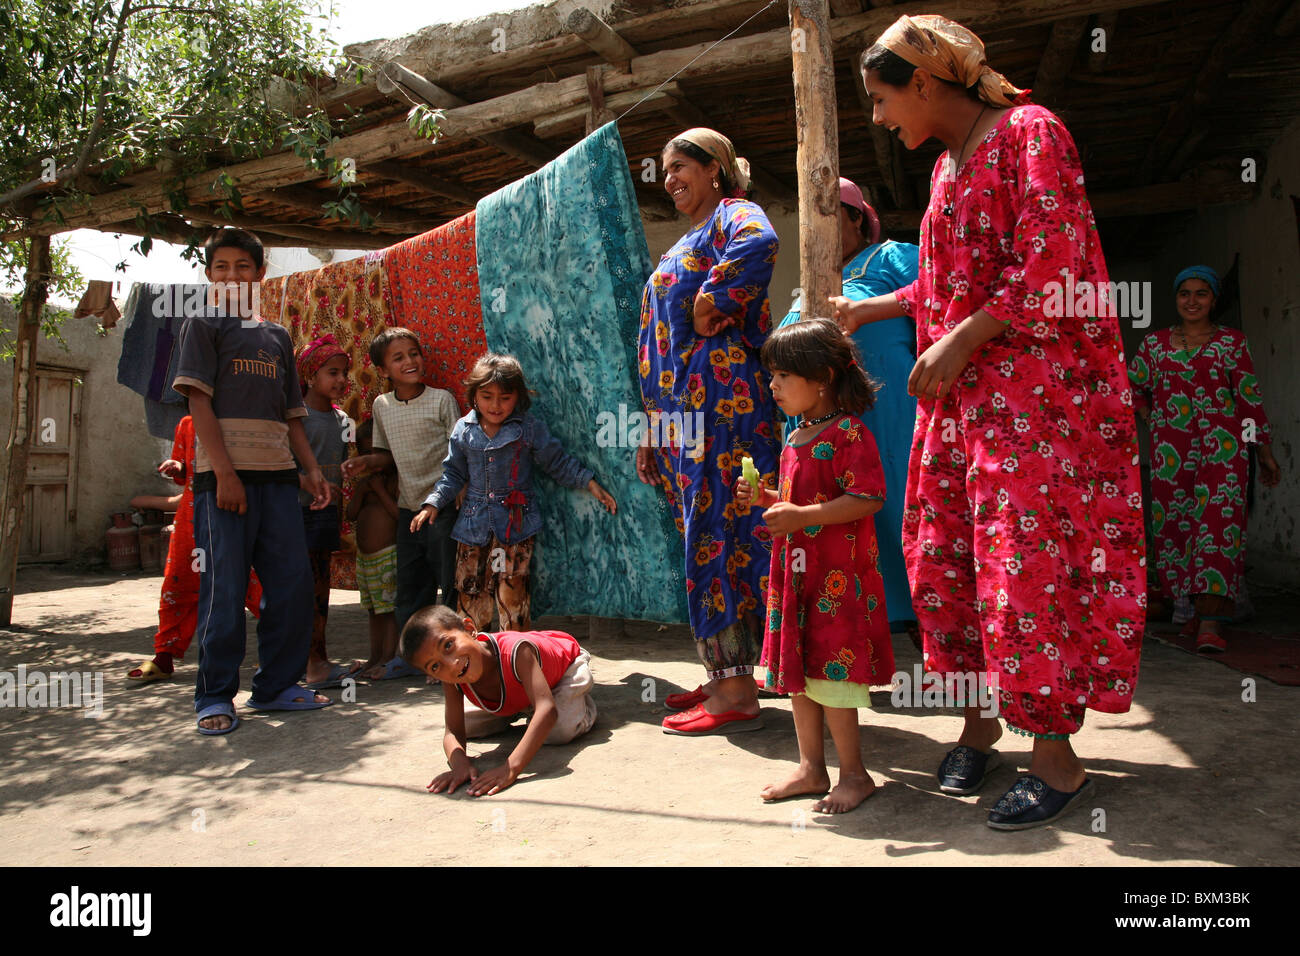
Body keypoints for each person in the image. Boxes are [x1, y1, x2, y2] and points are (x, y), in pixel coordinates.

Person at [835, 14, 1146, 829]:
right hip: (962, 405)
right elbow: (950, 279)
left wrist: (965, 336)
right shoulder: (946, 171)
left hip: (1031, 404)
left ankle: (1057, 761)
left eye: (880, 99)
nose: (879, 117)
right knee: (946, 562)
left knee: (1024, 570)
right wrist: (877, 308)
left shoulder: (1031, 133)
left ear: (927, 84)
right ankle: (980, 720)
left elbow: (1055, 259)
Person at [636, 127, 782, 736]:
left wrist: (710, 300)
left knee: (720, 534)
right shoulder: (691, 240)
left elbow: (763, 241)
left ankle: (736, 690)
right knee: (711, 534)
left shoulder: (732, 214)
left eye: (679, 167)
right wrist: (651, 427)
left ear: (715, 169)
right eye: (664, 171)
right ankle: (729, 672)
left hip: (724, 409)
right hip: (683, 420)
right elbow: (657, 345)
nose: (669, 179)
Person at [172, 227, 331, 734]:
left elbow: (292, 415)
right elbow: (198, 402)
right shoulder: (203, 325)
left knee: (291, 585)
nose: (232, 275)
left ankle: (278, 686)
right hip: (224, 484)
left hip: (280, 483)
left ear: (261, 272)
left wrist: (310, 472)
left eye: (243, 266)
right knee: (225, 589)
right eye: (221, 267)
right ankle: (215, 695)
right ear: (209, 275)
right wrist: (224, 475)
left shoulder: (277, 336)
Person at [737, 319, 896, 813]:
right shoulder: (796, 437)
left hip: (837, 582)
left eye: (785, 375)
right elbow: (797, 503)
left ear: (823, 377)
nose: (774, 385)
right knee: (799, 675)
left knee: (833, 677)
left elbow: (868, 498)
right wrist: (763, 498)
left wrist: (802, 515)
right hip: (797, 579)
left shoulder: (850, 434)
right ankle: (811, 768)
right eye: (772, 375)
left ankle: (855, 774)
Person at [776, 176, 921, 646]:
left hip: (894, 421)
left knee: (903, 515)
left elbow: (940, 296)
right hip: (824, 438)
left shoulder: (890, 258)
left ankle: (933, 639)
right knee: (839, 534)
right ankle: (845, 659)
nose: (815, 228)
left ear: (857, 217)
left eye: (829, 214)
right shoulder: (809, 289)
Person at [1129, 265, 1281, 652]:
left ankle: (1211, 621)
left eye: (1201, 294)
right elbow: (1132, 388)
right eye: (1185, 293)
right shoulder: (1155, 345)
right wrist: (1152, 417)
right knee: (1176, 530)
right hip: (1170, 456)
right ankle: (1189, 610)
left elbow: (1248, 399)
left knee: (1218, 529)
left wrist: (1263, 452)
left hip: (1224, 451)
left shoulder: (1232, 343)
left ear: (1214, 300)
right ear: (1176, 298)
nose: (1192, 300)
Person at [412, 353, 617, 631]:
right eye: (487, 396)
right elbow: (453, 475)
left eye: (505, 397)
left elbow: (556, 462)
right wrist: (433, 504)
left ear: (518, 397)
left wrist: (588, 482)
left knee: (513, 599)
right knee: (471, 597)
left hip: (515, 529)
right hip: (473, 530)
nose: (495, 405)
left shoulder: (528, 429)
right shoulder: (463, 430)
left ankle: (514, 663)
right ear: (474, 395)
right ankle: (471, 663)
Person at [341, 327, 460, 680]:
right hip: (408, 511)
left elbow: (460, 451)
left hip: (442, 507)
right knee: (410, 588)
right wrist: (366, 464)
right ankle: (413, 659)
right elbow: (384, 455)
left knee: (448, 583)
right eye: (399, 357)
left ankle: (451, 655)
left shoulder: (442, 400)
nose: (410, 361)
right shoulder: (382, 406)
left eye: (413, 353)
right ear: (383, 370)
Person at [402, 605, 597, 797]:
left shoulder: (517, 651)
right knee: (469, 726)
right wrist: (460, 765)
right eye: (435, 666)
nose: (452, 665)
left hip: (565, 667)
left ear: (470, 629)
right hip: (517, 693)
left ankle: (582, 707)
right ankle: (522, 709)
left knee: (559, 730)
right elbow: (452, 731)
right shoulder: (452, 678)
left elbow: (547, 710)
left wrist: (510, 768)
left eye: (448, 645)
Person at [126, 415, 263, 684]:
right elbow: (185, 471)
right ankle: (164, 656)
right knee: (178, 581)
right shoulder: (187, 424)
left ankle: (286, 650)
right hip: (191, 516)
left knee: (251, 582)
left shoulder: (241, 419)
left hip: (233, 509)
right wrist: (177, 468)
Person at [295, 334, 362, 689]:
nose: (340, 380)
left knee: (321, 589)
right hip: (296, 515)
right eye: (331, 372)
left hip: (326, 515)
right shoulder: (296, 418)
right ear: (309, 375)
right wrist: (305, 481)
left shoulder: (342, 419)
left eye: (344, 373)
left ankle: (317, 661)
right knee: (299, 589)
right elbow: (282, 467)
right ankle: (306, 662)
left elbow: (340, 463)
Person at [346, 418, 401, 680]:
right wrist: (362, 491)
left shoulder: (392, 483)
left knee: (387, 610)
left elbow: (398, 515)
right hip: (366, 560)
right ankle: (375, 655)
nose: (370, 460)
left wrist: (379, 491)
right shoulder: (364, 484)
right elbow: (351, 514)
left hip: (386, 556)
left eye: (376, 453)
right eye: (364, 453)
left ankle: (389, 658)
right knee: (373, 610)